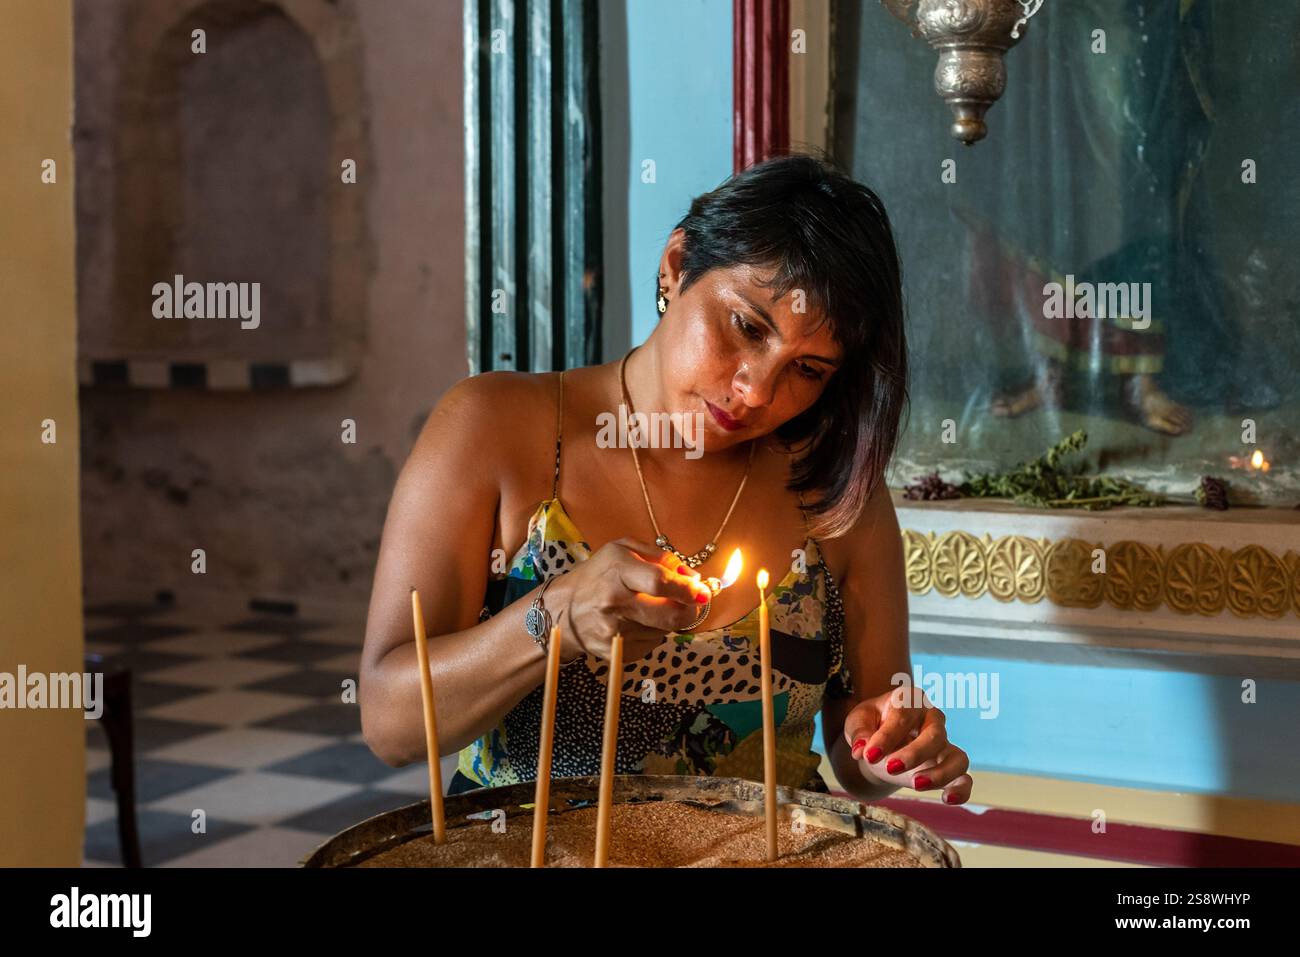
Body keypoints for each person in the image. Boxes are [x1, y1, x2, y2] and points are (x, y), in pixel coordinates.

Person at [360, 153, 973, 808]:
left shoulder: (836, 488)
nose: (756, 390)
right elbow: (392, 723)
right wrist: (554, 617)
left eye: (809, 369)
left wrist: (891, 745)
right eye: (747, 326)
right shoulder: (495, 430)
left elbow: (861, 752)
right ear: (676, 266)